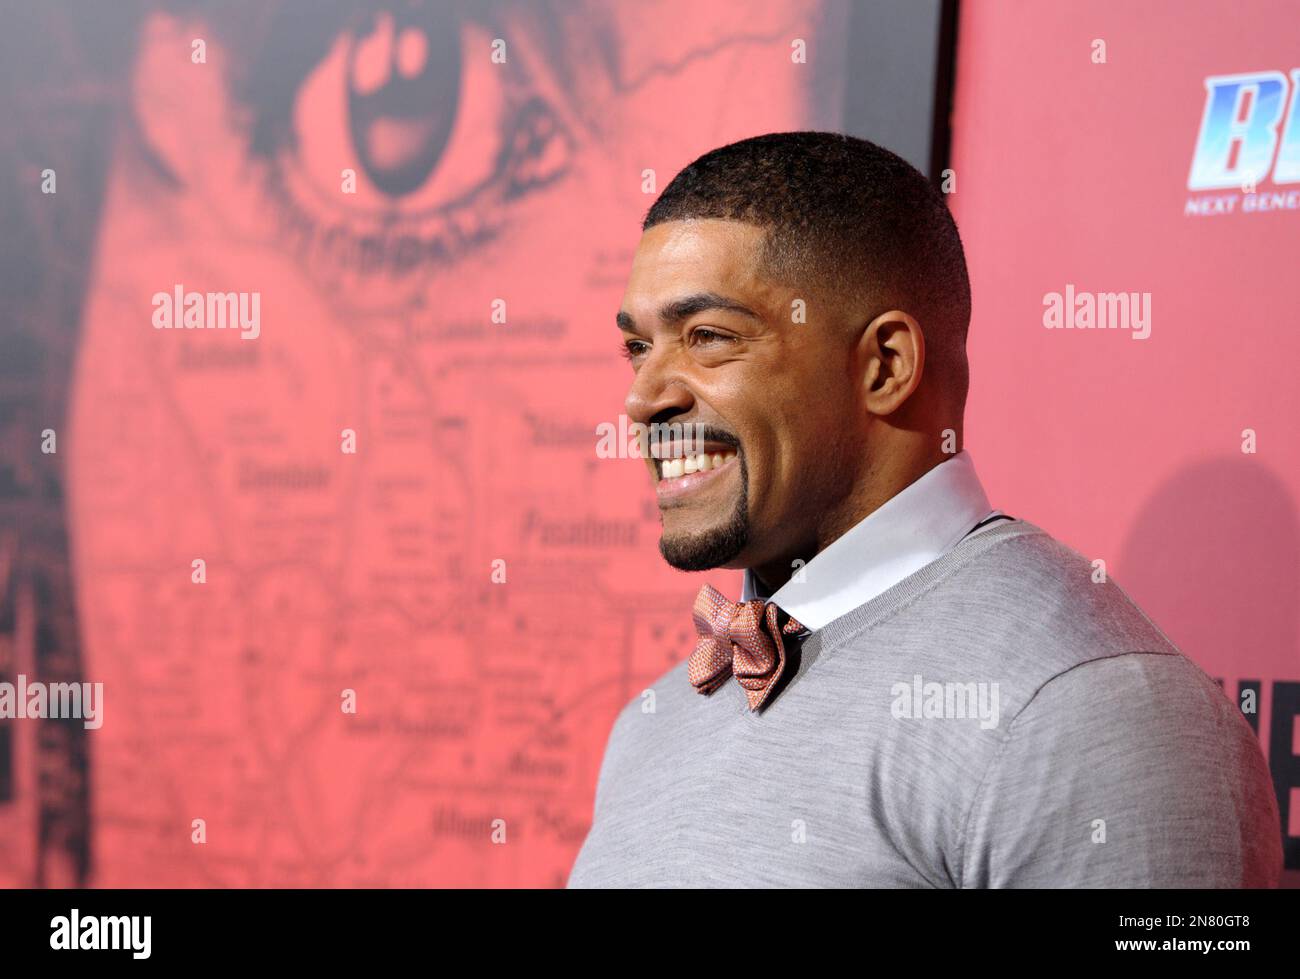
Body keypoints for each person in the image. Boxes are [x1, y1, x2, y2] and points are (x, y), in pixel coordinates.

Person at [568, 131, 1282, 887]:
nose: (643, 398)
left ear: (886, 365)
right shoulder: (655, 718)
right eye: (639, 348)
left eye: (708, 337)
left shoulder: (1096, 710)